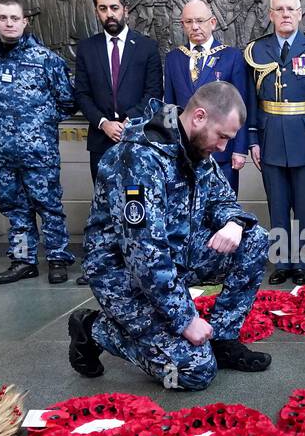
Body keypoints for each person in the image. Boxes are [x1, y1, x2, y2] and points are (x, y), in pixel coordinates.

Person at [67, 81, 271, 391]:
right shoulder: (139, 158)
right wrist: (186, 320)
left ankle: (223, 339)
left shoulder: (196, 147)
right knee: (194, 370)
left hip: (175, 260)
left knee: (254, 239)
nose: (223, 148)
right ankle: (94, 328)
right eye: (222, 137)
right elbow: (144, 255)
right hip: (124, 276)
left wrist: (234, 223)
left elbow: (223, 201)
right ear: (199, 116)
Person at [0, 0, 77, 284]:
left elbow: (67, 101)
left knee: (49, 206)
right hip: (2, 152)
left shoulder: (45, 60)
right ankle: (23, 260)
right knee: (15, 210)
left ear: (25, 21)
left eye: (15, 18)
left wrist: (38, 122)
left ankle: (56, 259)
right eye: (2, 18)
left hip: (39, 152)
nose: (9, 23)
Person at [73, 0, 163, 284]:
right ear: (96, 11)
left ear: (124, 9)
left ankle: (135, 262)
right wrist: (103, 123)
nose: (109, 14)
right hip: (101, 139)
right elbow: (82, 94)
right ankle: (101, 263)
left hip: (136, 140)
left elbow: (153, 93)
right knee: (103, 204)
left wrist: (126, 123)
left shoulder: (147, 47)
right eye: (102, 8)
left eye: (114, 7)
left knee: (134, 201)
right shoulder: (87, 49)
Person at [244, 0, 305, 285]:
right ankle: (282, 261)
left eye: (290, 9)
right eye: (279, 10)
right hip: (269, 139)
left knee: (304, 204)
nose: (285, 15)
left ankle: (302, 263)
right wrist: (252, 139)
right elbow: (250, 100)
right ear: (271, 15)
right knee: (277, 204)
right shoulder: (256, 51)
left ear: (300, 14)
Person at [163, 0, 250, 191]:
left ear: (212, 23)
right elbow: (169, 105)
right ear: (183, 25)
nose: (195, 27)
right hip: (184, 153)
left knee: (223, 211)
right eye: (189, 22)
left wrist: (240, 149)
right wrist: (170, 145)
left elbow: (241, 105)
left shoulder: (231, 57)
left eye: (200, 21)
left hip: (222, 153)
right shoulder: (174, 58)